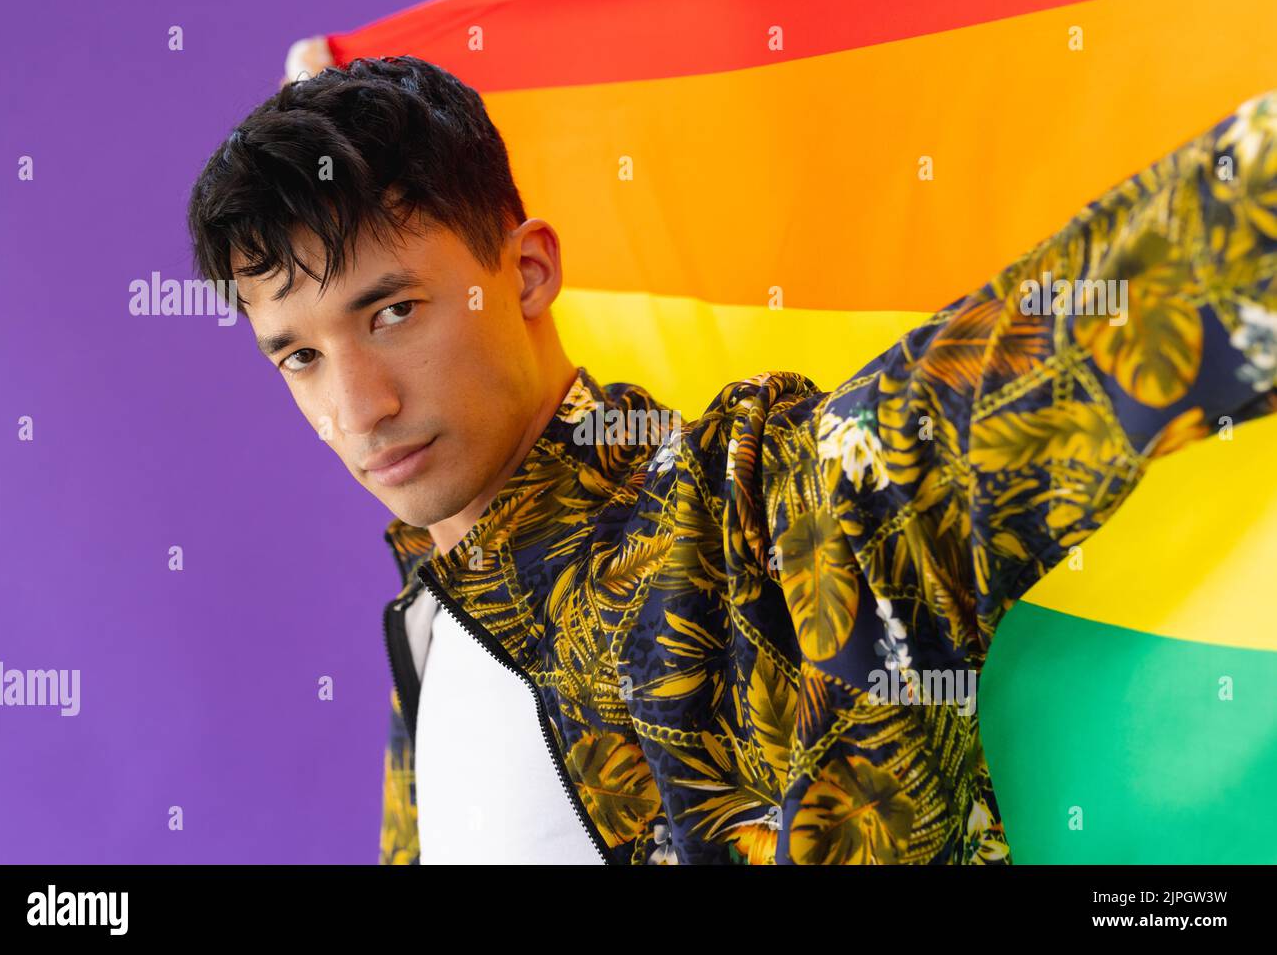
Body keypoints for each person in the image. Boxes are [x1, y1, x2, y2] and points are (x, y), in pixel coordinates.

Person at [186, 54, 1277, 864]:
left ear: (525, 274)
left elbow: (1107, 314)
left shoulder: (756, 515)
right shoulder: (428, 626)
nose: (357, 408)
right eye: (297, 356)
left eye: (391, 313)